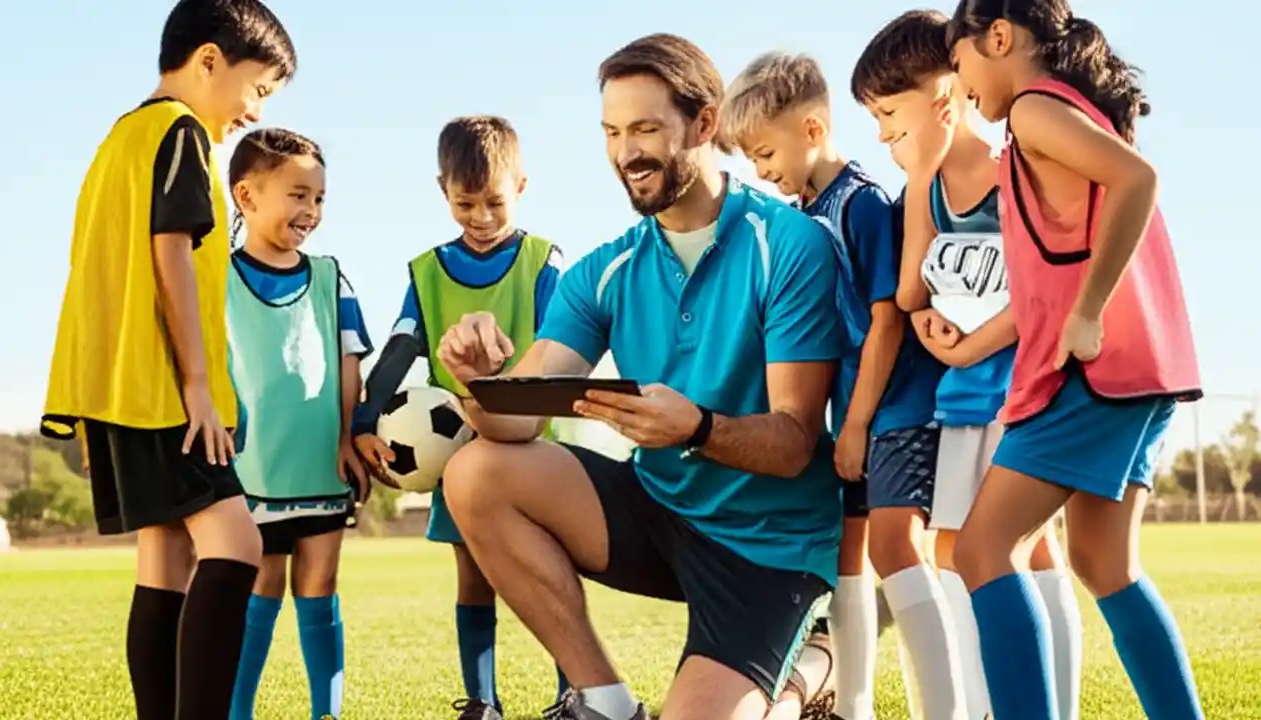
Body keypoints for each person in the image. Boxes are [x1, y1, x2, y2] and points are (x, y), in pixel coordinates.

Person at [434, 33, 847, 720]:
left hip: (771, 545)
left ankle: (813, 663)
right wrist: (481, 382)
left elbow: (794, 441)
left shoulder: (789, 246)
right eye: (613, 132)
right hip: (660, 516)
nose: (626, 152)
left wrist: (698, 427)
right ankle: (603, 700)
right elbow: (516, 419)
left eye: (646, 128)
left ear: (705, 123)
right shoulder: (606, 271)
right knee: (476, 472)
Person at [36, 1, 296, 718]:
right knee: (238, 546)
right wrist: (198, 385)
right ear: (209, 60)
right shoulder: (181, 133)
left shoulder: (120, 139)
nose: (254, 109)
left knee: (166, 562)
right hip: (161, 389)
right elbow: (169, 252)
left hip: (118, 389)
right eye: (260, 88)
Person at [946, 2, 1205, 719]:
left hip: (1094, 376)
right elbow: (1048, 284)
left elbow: (1137, 179)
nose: (960, 81)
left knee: (981, 551)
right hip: (1143, 374)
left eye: (959, 61)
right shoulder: (1057, 115)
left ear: (997, 38)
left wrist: (1089, 312)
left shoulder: (1033, 110)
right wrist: (973, 344)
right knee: (1103, 562)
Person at [850, 9, 1084, 719]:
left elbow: (1045, 288)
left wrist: (980, 343)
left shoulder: (1014, 170)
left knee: (1024, 547)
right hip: (962, 397)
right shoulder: (928, 191)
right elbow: (912, 290)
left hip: (1021, 391)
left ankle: (1040, 706)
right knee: (955, 545)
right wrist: (921, 179)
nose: (885, 134)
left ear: (946, 94)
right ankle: (990, 703)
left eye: (893, 115)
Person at [722, 50, 959, 719]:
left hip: (896, 408)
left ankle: (947, 709)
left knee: (893, 546)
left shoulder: (861, 205)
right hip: (846, 416)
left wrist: (856, 424)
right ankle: (854, 707)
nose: (762, 173)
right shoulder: (800, 216)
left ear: (813, 129)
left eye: (767, 154)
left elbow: (888, 321)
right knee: (846, 559)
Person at [350, 115, 567, 720]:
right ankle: (482, 702)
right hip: (458, 461)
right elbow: (399, 350)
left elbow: (558, 349)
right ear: (442, 190)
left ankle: (570, 695)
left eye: (494, 201)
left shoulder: (543, 263)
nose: (481, 216)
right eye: (464, 202)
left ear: (520, 186)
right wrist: (365, 418)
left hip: (536, 453)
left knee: (549, 576)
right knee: (472, 577)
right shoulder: (425, 271)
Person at [223, 128, 376, 720]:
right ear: (247, 195)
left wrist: (345, 438)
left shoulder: (330, 276)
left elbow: (348, 362)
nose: (310, 210)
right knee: (258, 592)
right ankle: (238, 713)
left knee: (320, 589)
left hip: (320, 463)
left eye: (318, 198)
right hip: (251, 465)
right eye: (297, 195)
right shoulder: (218, 279)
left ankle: (326, 714)